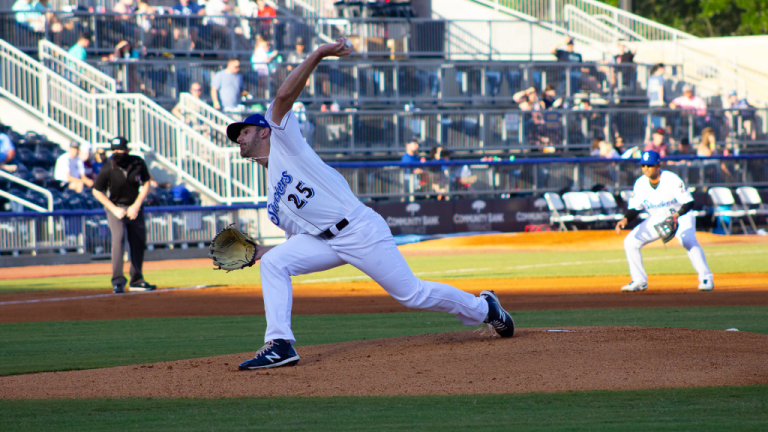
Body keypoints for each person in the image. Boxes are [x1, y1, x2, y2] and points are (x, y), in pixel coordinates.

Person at [226, 38, 515, 370]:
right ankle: (279, 344)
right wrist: (260, 251)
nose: (239, 138)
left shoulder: (283, 141)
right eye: (237, 136)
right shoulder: (272, 203)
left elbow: (282, 97)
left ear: (263, 132)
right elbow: (299, 240)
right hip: (326, 242)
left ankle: (485, 308)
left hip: (359, 229)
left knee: (412, 295)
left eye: (244, 131)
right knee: (275, 263)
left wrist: (319, 54)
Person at [615, 150, 713, 292]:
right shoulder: (640, 184)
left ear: (658, 165)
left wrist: (677, 215)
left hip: (681, 214)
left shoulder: (671, 179)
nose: (646, 168)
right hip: (658, 217)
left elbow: (689, 202)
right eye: (643, 165)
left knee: (688, 240)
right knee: (630, 242)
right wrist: (625, 219)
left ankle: (706, 278)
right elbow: (635, 208)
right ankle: (639, 280)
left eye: (650, 165)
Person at [91, 137, 156, 294]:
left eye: (120, 149)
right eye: (114, 150)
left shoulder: (137, 162)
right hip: (116, 208)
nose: (117, 153)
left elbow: (147, 182)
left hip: (134, 207)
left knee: (138, 242)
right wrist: (114, 209)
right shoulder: (108, 168)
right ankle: (118, 281)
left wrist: (137, 204)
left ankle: (137, 280)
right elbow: (96, 190)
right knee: (118, 239)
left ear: (127, 150)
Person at [647, 64, 666, 130]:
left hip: (652, 102)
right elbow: (660, 89)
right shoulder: (660, 78)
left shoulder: (651, 78)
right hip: (658, 102)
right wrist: (661, 101)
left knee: (653, 119)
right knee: (660, 119)